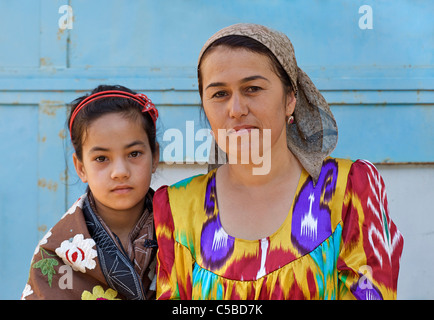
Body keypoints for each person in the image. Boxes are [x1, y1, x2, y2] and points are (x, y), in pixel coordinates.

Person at [153, 23, 404, 300]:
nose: (236, 110)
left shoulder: (348, 191)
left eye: (253, 88)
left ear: (290, 100)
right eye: (219, 94)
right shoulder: (177, 209)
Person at [22, 85, 160, 300]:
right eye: (101, 158)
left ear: (155, 156)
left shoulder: (185, 228)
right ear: (81, 167)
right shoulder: (54, 254)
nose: (120, 172)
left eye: (134, 153)